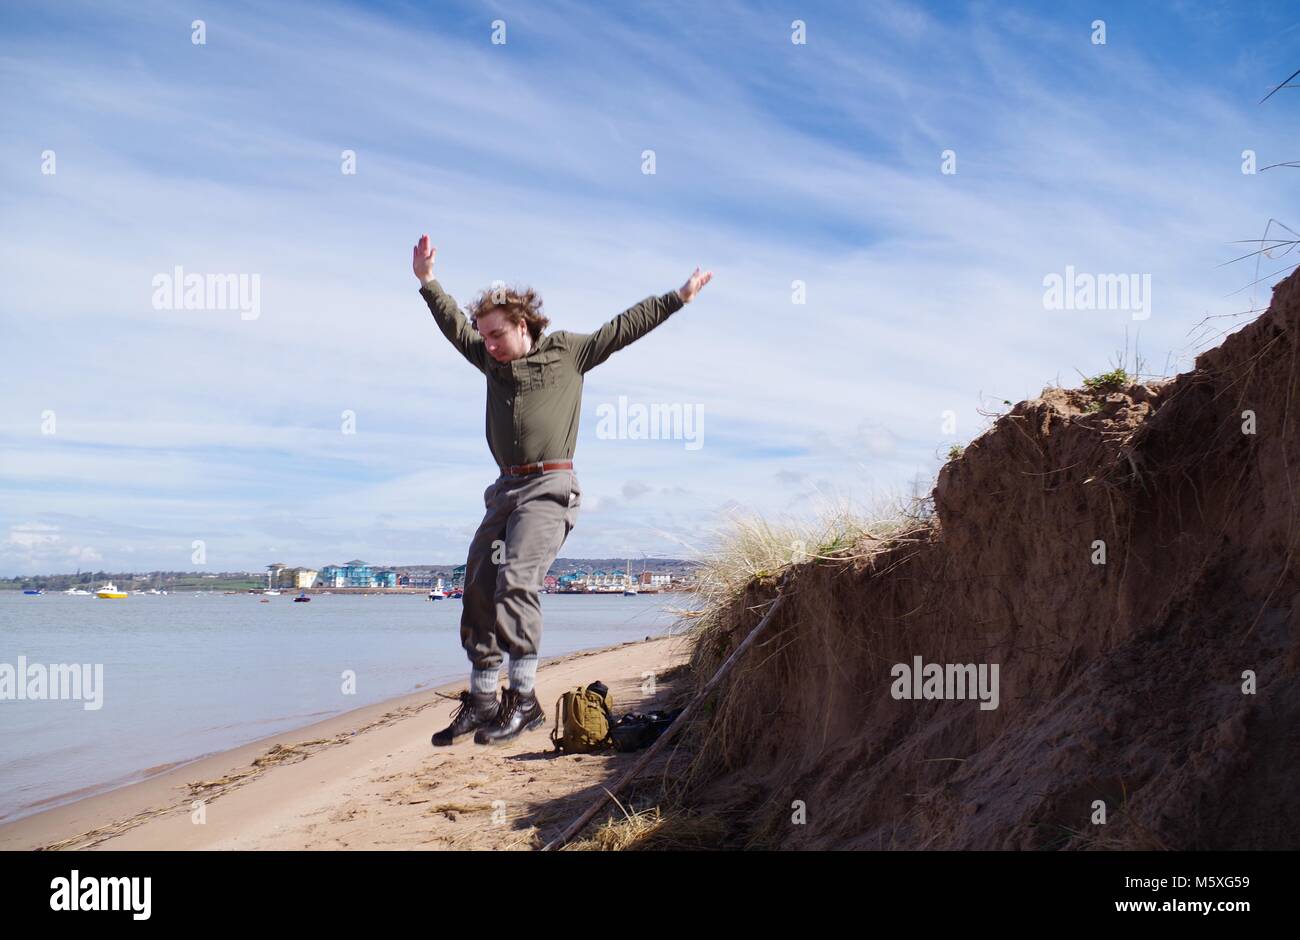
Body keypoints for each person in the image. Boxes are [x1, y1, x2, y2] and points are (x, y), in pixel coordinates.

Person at [413, 234, 712, 745]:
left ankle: (524, 700)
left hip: (551, 486)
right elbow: (453, 326)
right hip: (504, 489)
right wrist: (427, 282)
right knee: (479, 589)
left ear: (523, 325)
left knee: (517, 583)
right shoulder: (491, 363)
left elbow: (623, 328)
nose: (487, 345)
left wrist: (677, 298)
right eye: (483, 336)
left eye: (496, 335)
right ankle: (484, 703)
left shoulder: (569, 352)